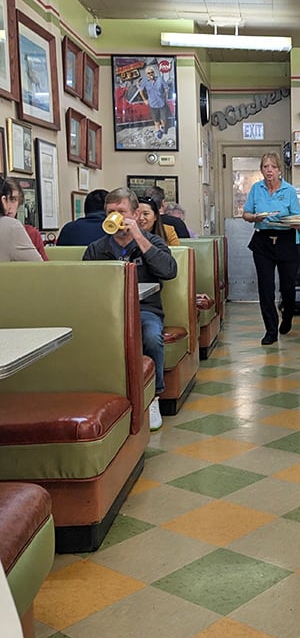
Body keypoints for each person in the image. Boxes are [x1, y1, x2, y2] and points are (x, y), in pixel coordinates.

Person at [83, 187, 178, 431]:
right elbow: (85, 286)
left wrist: (139, 237)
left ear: (136, 214)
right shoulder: (96, 248)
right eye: (110, 212)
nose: (115, 217)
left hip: (145, 308)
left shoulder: (152, 242)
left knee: (151, 336)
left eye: (121, 212)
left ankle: (154, 397)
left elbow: (169, 271)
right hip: (107, 312)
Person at [242, 151, 300, 345]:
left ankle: (288, 315)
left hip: (286, 239)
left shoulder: (289, 190)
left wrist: (290, 222)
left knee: (288, 287)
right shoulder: (256, 189)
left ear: (279, 170)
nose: (269, 171)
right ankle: (270, 330)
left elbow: (298, 219)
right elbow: (246, 213)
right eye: (266, 167)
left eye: (273, 167)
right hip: (263, 241)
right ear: (261, 170)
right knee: (266, 287)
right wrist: (254, 218)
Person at [1, 176, 46, 258]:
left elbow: (43, 267)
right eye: (5, 200)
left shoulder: (32, 233)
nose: (8, 206)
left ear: (19, 202)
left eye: (13, 199)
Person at [138, 65, 170, 140]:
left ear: (154, 72)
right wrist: (145, 100)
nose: (151, 74)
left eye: (152, 72)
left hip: (162, 103)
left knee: (163, 119)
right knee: (156, 120)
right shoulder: (145, 82)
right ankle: (158, 131)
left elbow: (166, 88)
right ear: (147, 74)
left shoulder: (160, 79)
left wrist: (165, 96)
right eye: (149, 73)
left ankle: (163, 128)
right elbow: (140, 91)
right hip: (152, 104)